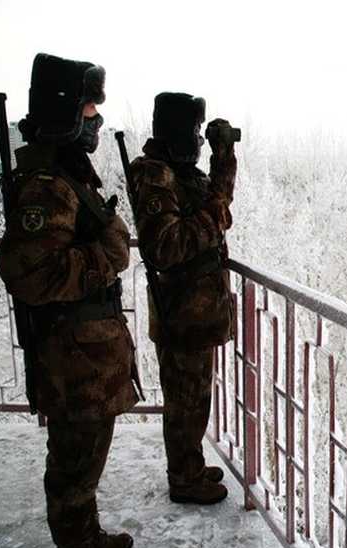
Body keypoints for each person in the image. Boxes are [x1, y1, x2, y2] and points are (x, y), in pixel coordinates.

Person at [0, 53, 138, 548]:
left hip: (87, 353)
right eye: (89, 106)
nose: (97, 117)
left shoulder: (66, 170)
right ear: (65, 111)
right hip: (70, 355)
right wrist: (108, 254)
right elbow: (32, 273)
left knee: (87, 453)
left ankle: (86, 536)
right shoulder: (47, 183)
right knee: (74, 461)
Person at [129, 93, 237, 505]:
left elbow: (217, 204)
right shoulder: (156, 176)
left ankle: (188, 464)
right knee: (184, 400)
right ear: (175, 131)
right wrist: (212, 217)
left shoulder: (179, 172)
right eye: (193, 130)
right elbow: (166, 246)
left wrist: (223, 158)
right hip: (181, 311)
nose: (197, 137)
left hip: (196, 310)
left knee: (195, 398)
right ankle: (184, 478)